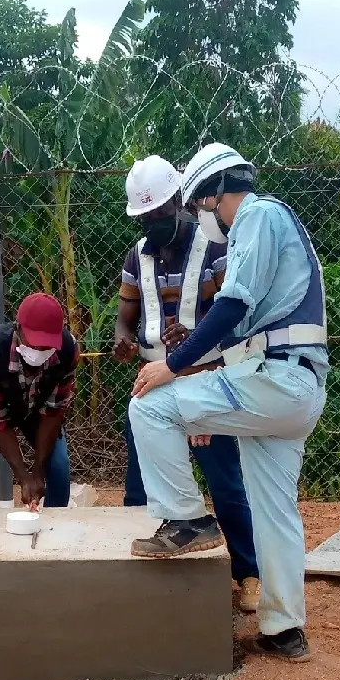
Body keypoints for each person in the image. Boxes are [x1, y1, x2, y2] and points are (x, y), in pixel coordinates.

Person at [128, 143, 328, 662]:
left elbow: (232, 305)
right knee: (275, 513)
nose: (200, 218)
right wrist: (201, 402)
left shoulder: (258, 215)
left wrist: (171, 369)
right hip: (288, 387)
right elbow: (236, 330)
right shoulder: (270, 232)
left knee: (149, 405)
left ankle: (189, 520)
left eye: (198, 205)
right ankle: (285, 630)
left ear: (215, 193)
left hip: (278, 379)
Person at [114, 155, 261, 613]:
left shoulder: (216, 249)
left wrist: (193, 340)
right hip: (152, 383)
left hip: (208, 381)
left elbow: (236, 320)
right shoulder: (136, 256)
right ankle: (148, 578)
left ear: (178, 201)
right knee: (141, 486)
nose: (152, 223)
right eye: (143, 216)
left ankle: (247, 573)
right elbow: (125, 317)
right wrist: (122, 340)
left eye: (158, 212)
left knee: (225, 483)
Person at [0, 291, 79, 508]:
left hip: (37, 411)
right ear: (17, 329)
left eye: (47, 346)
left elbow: (54, 411)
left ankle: (55, 532)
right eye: (35, 343)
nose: (39, 351)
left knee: (58, 469)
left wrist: (37, 471)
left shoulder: (68, 350)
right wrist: (23, 476)